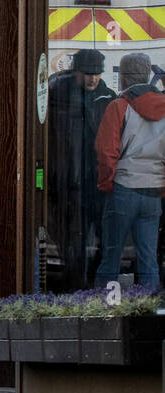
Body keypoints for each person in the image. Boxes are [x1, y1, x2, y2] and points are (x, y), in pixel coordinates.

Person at [94, 52, 164, 293]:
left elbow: (106, 152)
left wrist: (106, 184)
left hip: (123, 189)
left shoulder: (118, 106)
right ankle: (149, 316)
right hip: (153, 192)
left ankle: (104, 309)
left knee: (111, 256)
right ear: (147, 75)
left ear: (122, 79)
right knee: (148, 259)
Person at [46, 49, 114, 289]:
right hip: (68, 180)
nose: (92, 78)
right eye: (87, 73)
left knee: (104, 236)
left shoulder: (107, 97)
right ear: (76, 72)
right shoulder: (56, 95)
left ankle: (90, 280)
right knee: (73, 237)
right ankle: (75, 282)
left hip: (97, 179)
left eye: (96, 73)